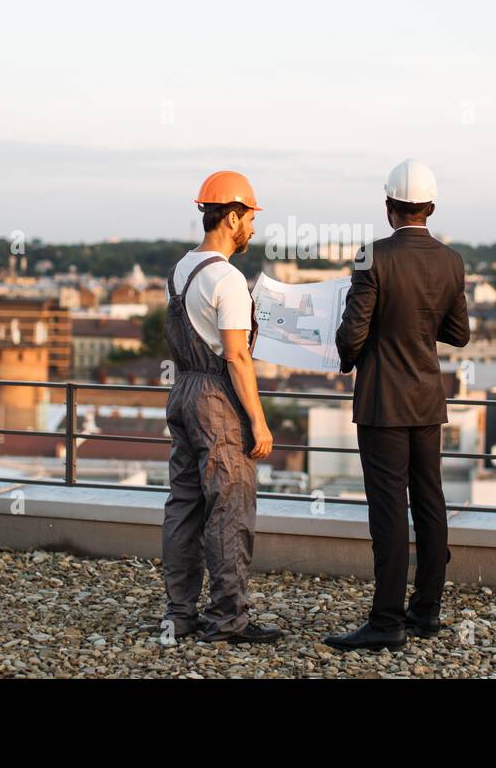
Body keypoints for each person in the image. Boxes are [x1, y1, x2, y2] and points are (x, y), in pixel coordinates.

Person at [323, 159, 470, 651]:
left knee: (388, 512)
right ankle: (425, 612)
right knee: (430, 505)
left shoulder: (372, 257)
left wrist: (345, 357)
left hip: (383, 403)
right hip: (428, 402)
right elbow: (459, 333)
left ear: (389, 208)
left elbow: (353, 332)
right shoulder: (452, 262)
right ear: (430, 207)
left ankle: (385, 622)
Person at [156, 170, 280, 644]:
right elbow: (237, 355)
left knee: (184, 505)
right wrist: (258, 421)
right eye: (249, 217)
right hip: (215, 399)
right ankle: (228, 619)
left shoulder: (181, 269)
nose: (252, 227)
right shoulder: (226, 278)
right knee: (230, 507)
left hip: (183, 391)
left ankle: (179, 614)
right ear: (230, 217)